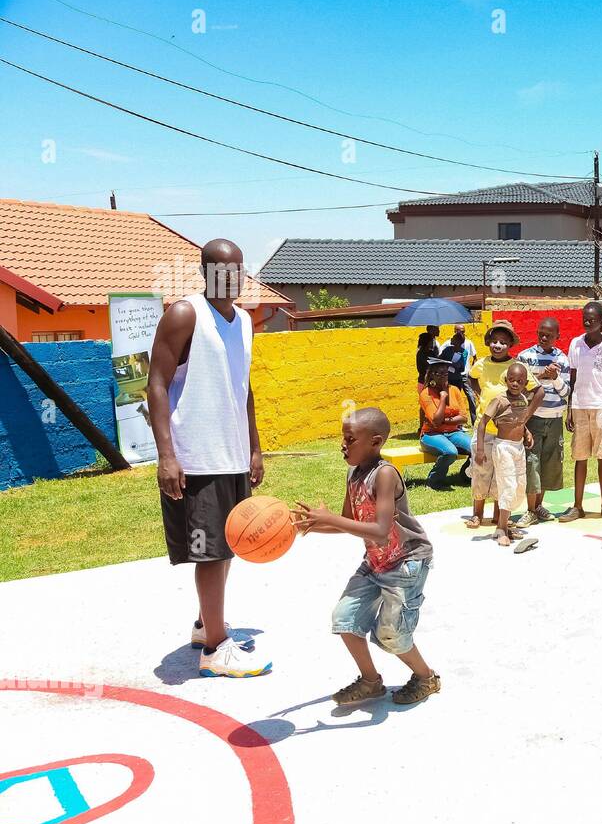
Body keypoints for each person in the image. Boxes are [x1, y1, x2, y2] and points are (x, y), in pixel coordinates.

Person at [147, 237, 270, 678]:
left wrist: (254, 448)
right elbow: (156, 384)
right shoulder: (185, 315)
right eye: (222, 268)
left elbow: (244, 387)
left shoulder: (245, 321)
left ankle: (206, 626)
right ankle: (217, 650)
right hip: (197, 457)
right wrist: (167, 456)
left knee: (228, 545)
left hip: (232, 455)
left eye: (238, 268)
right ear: (205, 271)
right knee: (209, 553)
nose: (231, 277)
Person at [292, 407, 440, 705]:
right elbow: (351, 520)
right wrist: (312, 525)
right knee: (345, 619)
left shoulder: (385, 474)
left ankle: (426, 678)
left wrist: (330, 519)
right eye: (342, 438)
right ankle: (371, 681)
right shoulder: (353, 473)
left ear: (375, 442)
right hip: (375, 561)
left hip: (406, 563)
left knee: (391, 634)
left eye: (350, 439)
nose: (343, 444)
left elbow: (381, 530)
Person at [559, 301, 602, 523]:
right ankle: (578, 506)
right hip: (579, 406)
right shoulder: (575, 344)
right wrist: (569, 408)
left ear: (601, 321)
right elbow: (573, 378)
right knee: (580, 457)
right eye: (584, 318)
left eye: (592, 318)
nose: (587, 322)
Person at [466, 321, 533, 529]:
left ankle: (498, 515)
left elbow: (534, 389)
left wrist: (524, 424)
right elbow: (470, 378)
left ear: (510, 344)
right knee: (481, 471)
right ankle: (477, 514)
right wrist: (483, 395)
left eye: (503, 342)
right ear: (488, 343)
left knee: (501, 475)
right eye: (494, 341)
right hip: (484, 429)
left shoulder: (516, 367)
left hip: (505, 435)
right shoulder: (482, 364)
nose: (498, 345)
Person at [475, 364, 546, 547]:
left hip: (518, 447)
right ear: (506, 380)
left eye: (520, 381)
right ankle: (501, 529)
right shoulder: (499, 400)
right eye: (512, 380)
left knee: (519, 486)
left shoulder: (523, 399)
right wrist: (481, 450)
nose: (515, 383)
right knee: (508, 485)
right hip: (503, 447)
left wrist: (526, 433)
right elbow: (483, 423)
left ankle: (505, 523)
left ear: (525, 383)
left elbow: (519, 420)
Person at [516, 317, 570, 526]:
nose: (544, 337)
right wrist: (542, 374)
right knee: (532, 462)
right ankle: (529, 510)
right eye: (541, 333)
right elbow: (519, 385)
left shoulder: (563, 360)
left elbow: (566, 392)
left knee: (549, 462)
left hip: (555, 419)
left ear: (558, 336)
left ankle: (539, 505)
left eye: (549, 334)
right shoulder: (526, 357)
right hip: (534, 419)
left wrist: (555, 377)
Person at [419, 356, 472, 488]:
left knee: (476, 447)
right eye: (440, 373)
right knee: (450, 452)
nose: (444, 376)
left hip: (454, 432)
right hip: (431, 435)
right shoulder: (426, 394)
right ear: (432, 375)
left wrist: (445, 421)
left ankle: (466, 473)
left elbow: (464, 418)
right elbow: (436, 422)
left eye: (446, 373)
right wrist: (443, 398)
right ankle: (434, 481)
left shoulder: (454, 390)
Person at [441, 324, 478, 422]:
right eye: (459, 331)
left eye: (463, 331)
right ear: (455, 331)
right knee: (453, 397)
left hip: (464, 375)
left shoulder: (467, 345)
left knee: (471, 396)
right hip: (450, 376)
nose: (462, 333)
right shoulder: (448, 346)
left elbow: (473, 358)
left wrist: (472, 370)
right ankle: (453, 420)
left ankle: (474, 421)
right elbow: (441, 358)